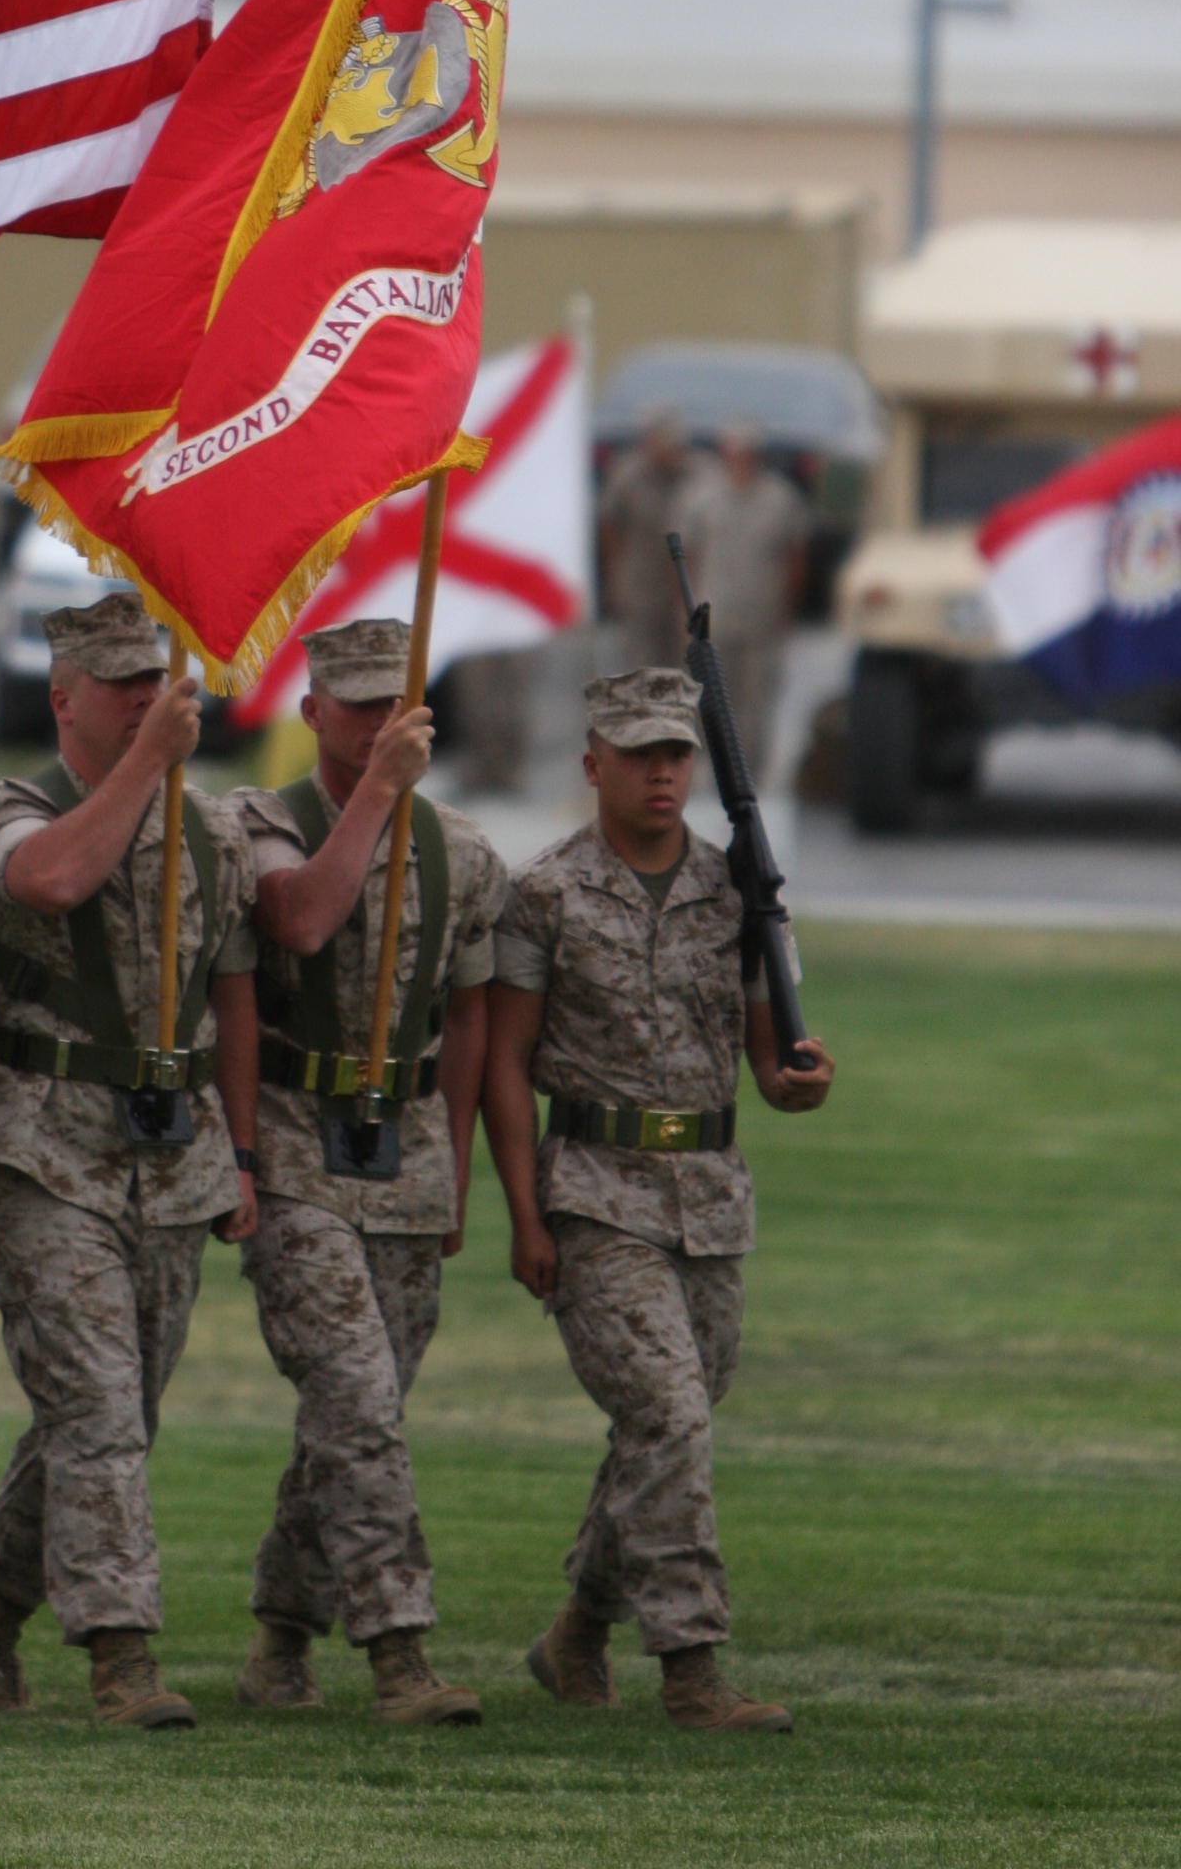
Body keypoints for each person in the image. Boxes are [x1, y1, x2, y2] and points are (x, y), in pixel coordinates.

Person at [0, 594, 259, 1731]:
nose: (145, 699)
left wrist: (244, 1151)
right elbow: (52, 881)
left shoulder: (212, 835)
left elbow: (232, 996)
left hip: (170, 1157)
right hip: (44, 1150)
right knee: (99, 1408)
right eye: (119, 684)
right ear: (62, 695)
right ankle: (120, 1654)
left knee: (112, 1413)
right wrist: (149, 765)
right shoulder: (4, 809)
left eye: (154, 681)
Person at [483, 668, 835, 1734]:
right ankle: (690, 1665)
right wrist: (523, 1213)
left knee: (661, 1428)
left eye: (675, 752)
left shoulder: (738, 889)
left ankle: (577, 1630)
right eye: (638, 753)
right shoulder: (543, 890)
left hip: (711, 1197)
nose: (661, 771)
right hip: (593, 1194)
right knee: (670, 1415)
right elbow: (502, 1061)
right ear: (592, 762)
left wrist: (794, 1080)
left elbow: (769, 1050)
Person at [227, 619, 509, 1726]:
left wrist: (461, 1176)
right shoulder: (257, 822)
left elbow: (474, 1023)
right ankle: (398, 1647)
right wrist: (374, 795)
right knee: (353, 1392)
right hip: (296, 1141)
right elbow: (296, 915)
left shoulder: (467, 853)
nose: (377, 725)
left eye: (396, 705)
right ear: (310, 713)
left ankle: (279, 1634)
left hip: (410, 1148)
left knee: (363, 1409)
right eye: (353, 705)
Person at [679, 423, 811, 779]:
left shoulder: (780, 498)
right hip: (715, 614)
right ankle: (714, 765)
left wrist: (788, 609)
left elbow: (795, 557)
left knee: (757, 697)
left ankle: (751, 768)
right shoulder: (703, 498)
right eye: (736, 452)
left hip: (761, 615)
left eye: (748, 453)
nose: (742, 460)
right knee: (714, 692)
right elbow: (689, 554)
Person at [597, 410, 699, 669]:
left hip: (682, 587)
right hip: (640, 582)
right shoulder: (626, 475)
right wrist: (615, 574)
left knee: (683, 663)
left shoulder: (696, 474)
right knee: (642, 663)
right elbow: (609, 525)